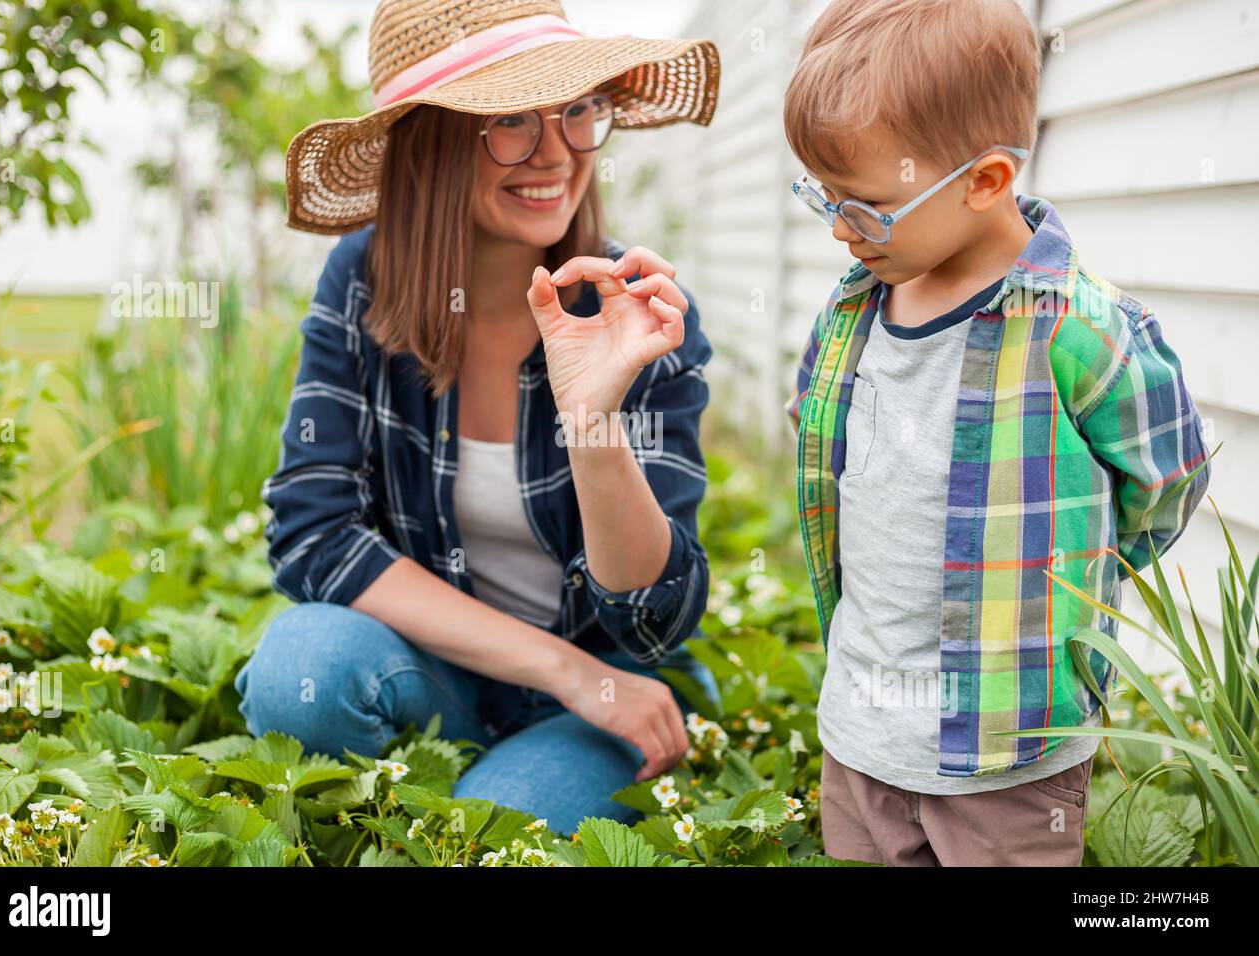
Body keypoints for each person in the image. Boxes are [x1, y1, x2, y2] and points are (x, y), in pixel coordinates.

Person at [233, 0, 722, 837]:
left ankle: (493, 783)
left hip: (610, 695)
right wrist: (556, 667)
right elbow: (314, 533)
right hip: (448, 672)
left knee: (483, 833)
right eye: (508, 120)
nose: (555, 153)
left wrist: (594, 425)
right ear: (428, 144)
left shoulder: (636, 311)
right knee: (297, 669)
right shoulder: (361, 281)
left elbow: (653, 620)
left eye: (575, 111)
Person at [782, 0, 1210, 865]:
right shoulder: (849, 311)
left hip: (1008, 761)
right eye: (825, 198)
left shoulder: (1078, 330)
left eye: (865, 205)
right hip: (860, 733)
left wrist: (1073, 572)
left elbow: (1168, 478)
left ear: (984, 181)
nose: (838, 229)